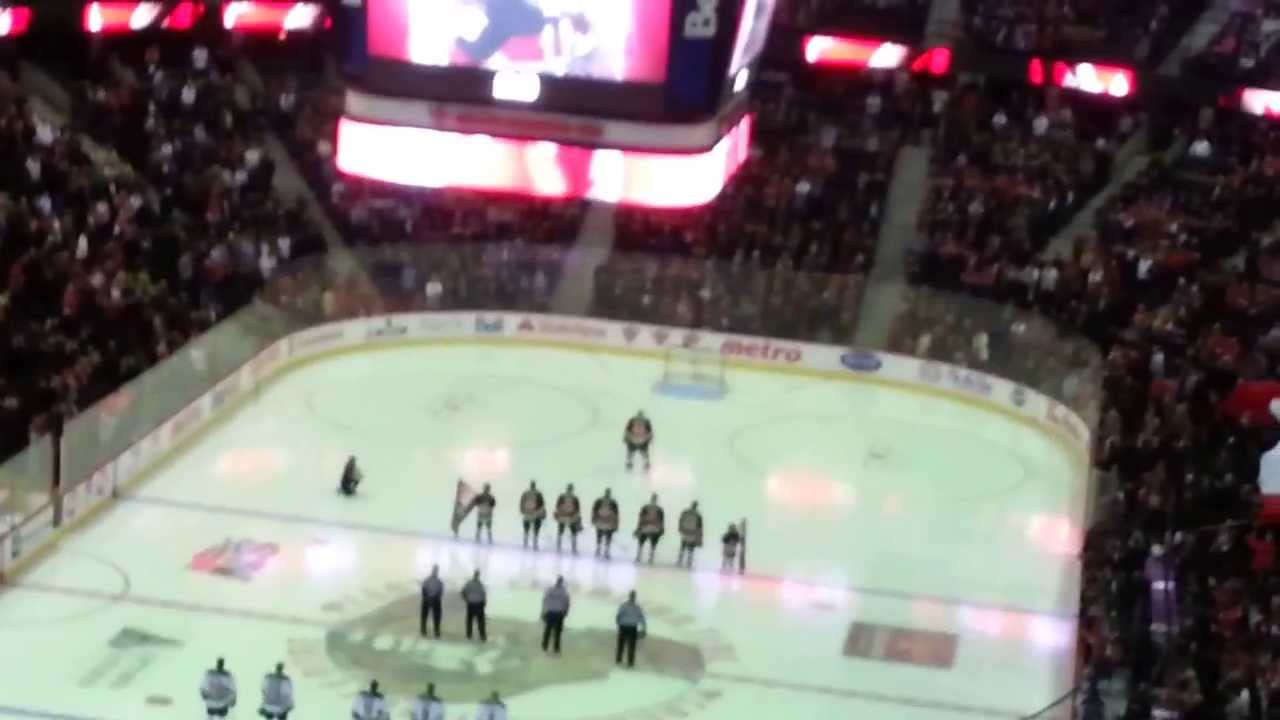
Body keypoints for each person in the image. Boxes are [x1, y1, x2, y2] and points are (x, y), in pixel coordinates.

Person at [615, 591, 647, 668]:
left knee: (626, 645)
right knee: (626, 645)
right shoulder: (634, 607)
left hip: (628, 627)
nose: (633, 597)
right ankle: (625, 662)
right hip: (628, 627)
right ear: (631, 596)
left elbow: (618, 616)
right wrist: (644, 628)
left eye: (633, 596)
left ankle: (624, 662)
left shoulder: (628, 606)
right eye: (632, 596)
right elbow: (641, 618)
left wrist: (644, 628)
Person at [541, 576, 571, 654]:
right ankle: (556, 649)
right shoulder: (564, 592)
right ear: (562, 582)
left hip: (550, 612)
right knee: (557, 632)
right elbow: (567, 603)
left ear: (556, 581)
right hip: (559, 613)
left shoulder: (550, 590)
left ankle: (545, 646)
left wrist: (543, 612)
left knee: (548, 630)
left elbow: (545, 601)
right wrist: (565, 612)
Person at [634, 494, 664, 564]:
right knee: (641, 543)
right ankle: (639, 556)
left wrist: (661, 529)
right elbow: (641, 517)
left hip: (655, 528)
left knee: (653, 544)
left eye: (655, 498)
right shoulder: (646, 507)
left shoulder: (659, 509)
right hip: (645, 527)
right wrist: (638, 527)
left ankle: (650, 557)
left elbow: (661, 520)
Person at [554, 483, 582, 553]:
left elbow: (557, 506)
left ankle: (560, 546)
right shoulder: (574, 498)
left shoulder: (563, 497)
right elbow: (577, 509)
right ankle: (572, 548)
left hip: (565, 517)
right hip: (569, 517)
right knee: (571, 533)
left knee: (562, 532)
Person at [592, 488, 620, 559]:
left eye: (608, 493)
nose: (607, 494)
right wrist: (594, 519)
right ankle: (598, 550)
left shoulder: (613, 503)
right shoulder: (599, 501)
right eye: (607, 492)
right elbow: (595, 510)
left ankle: (606, 551)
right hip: (600, 522)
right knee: (599, 536)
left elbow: (616, 514)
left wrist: (616, 524)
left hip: (609, 523)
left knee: (608, 537)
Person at [462, 570, 488, 641]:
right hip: (477, 604)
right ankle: (482, 636)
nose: (477, 576)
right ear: (477, 575)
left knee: (470, 621)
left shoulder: (469, 583)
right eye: (477, 575)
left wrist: (466, 599)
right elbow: (483, 595)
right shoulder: (480, 584)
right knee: (480, 621)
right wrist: (484, 603)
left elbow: (463, 592)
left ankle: (469, 635)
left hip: (472, 604)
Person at [520, 480, 546, 550]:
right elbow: (542, 504)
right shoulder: (538, 493)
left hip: (527, 513)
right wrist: (543, 514)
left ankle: (525, 544)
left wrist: (522, 510)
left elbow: (521, 503)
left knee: (526, 530)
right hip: (536, 513)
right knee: (536, 530)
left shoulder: (526, 493)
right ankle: (535, 544)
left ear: (530, 485)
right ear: (535, 485)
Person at [676, 502, 703, 568]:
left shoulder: (686, 512)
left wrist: (680, 528)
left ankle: (681, 561)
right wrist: (699, 535)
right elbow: (700, 526)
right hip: (692, 532)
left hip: (686, 531)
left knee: (683, 546)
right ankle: (688, 562)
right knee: (689, 548)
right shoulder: (697, 515)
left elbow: (681, 520)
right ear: (696, 506)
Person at [420, 565, 444, 637]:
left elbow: (440, 591)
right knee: (429, 616)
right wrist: (428, 597)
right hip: (431, 600)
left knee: (433, 616)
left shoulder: (436, 581)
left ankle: (434, 630)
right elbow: (424, 590)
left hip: (431, 600)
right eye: (435, 570)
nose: (436, 572)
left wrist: (427, 597)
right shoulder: (437, 581)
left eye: (436, 570)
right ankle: (427, 630)